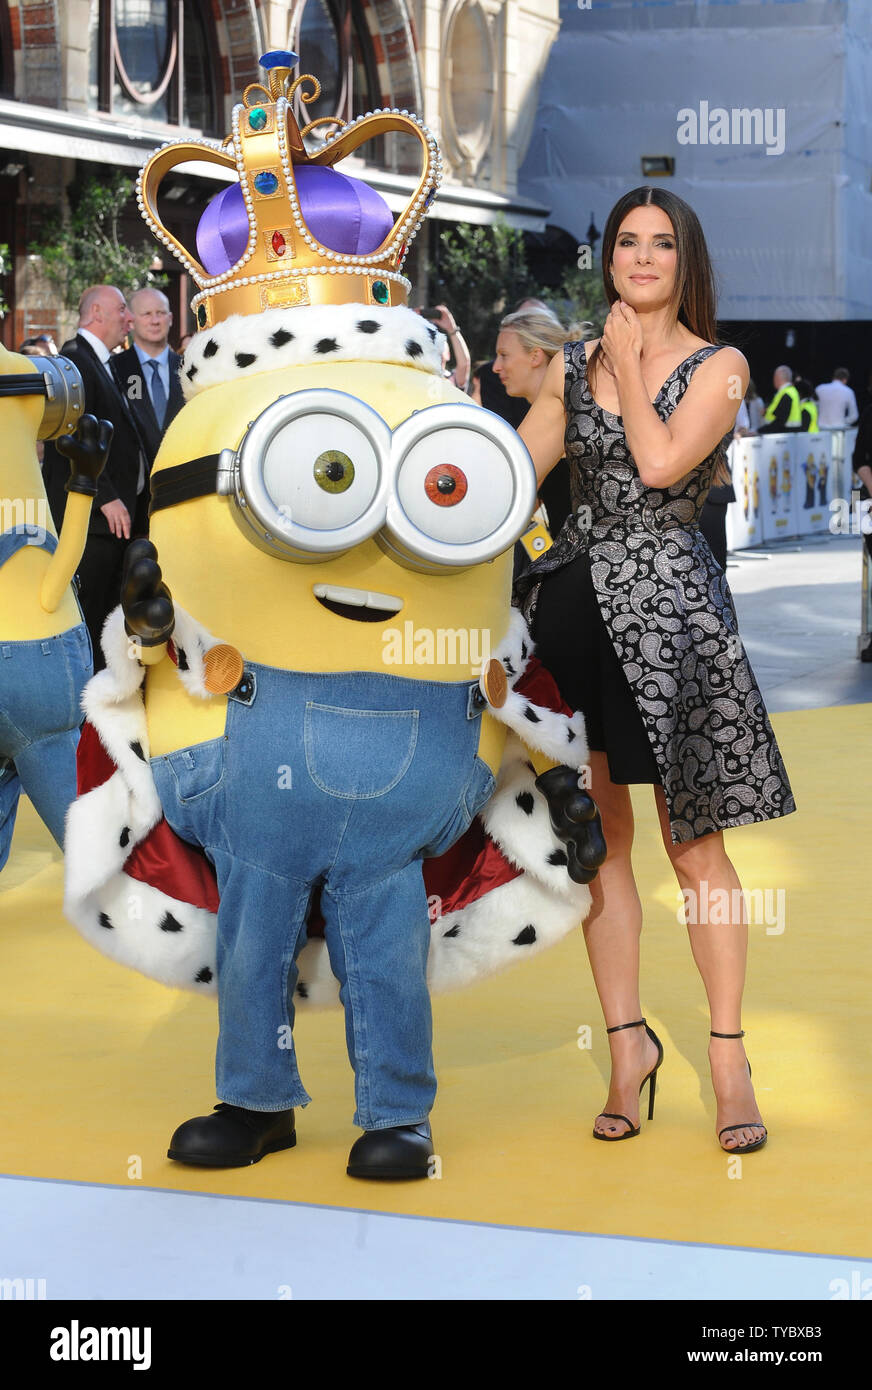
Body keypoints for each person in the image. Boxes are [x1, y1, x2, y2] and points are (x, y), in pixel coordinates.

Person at [514, 185, 795, 1154]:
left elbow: (664, 463)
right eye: (625, 243)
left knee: (694, 849)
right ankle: (626, 1046)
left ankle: (726, 1059)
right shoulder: (569, 364)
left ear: (686, 261)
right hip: (572, 613)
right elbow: (513, 478)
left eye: (659, 244)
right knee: (601, 841)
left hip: (673, 619)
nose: (639, 258)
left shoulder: (720, 364)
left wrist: (628, 366)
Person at [41, 285, 148, 671]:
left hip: (113, 525)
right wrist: (104, 495)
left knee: (106, 615)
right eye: (122, 309)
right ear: (98, 313)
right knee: (89, 615)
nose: (130, 318)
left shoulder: (102, 361)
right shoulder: (74, 361)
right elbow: (69, 435)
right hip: (90, 521)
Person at [494, 308, 581, 539]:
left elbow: (512, 498)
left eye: (504, 355)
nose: (495, 367)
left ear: (535, 356)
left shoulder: (562, 414)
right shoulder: (560, 408)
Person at [110, 288, 184, 511]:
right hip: (131, 502)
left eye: (161, 313)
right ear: (131, 321)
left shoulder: (188, 368)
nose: (155, 321)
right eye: (147, 314)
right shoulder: (115, 369)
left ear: (170, 318)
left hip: (181, 493)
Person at [759, 365, 802, 433]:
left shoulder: (787, 394)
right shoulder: (789, 392)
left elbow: (780, 421)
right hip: (787, 436)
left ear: (777, 377)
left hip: (783, 438)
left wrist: (759, 431)